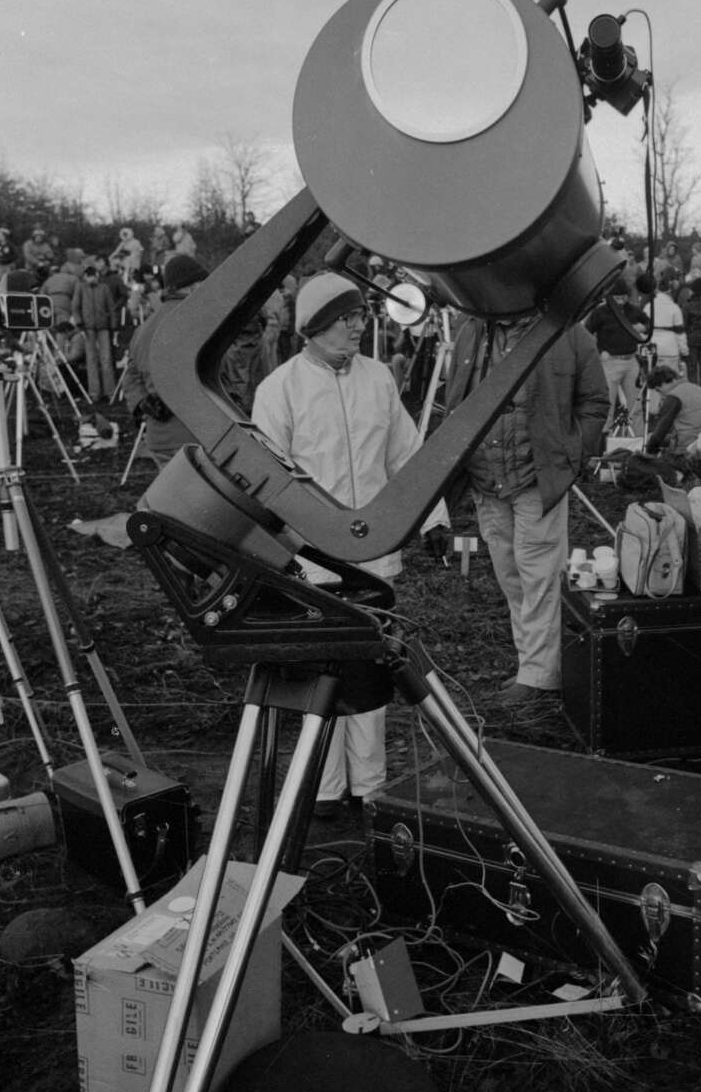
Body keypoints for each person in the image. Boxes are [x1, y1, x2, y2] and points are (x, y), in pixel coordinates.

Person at [251, 271, 423, 814]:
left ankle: (369, 785)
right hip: (312, 561)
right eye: (347, 318)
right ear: (315, 325)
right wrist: (285, 549)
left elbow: (405, 454)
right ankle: (323, 786)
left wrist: (433, 517)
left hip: (374, 551)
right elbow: (266, 479)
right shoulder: (279, 389)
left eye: (360, 316)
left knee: (370, 667)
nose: (358, 326)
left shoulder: (379, 378)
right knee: (321, 669)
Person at [443, 306, 608, 719]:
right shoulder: (472, 331)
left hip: (538, 477)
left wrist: (573, 455)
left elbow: (594, 400)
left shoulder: (566, 331)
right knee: (511, 574)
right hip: (487, 478)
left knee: (540, 574)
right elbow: (456, 397)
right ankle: (532, 664)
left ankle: (541, 676)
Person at [123, 255, 210, 468]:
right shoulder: (200, 323)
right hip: (199, 436)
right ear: (194, 286)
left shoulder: (144, 328)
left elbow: (131, 375)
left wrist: (143, 402)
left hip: (159, 437)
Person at [585, 273, 646, 438]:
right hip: (610, 362)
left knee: (636, 405)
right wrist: (599, 352)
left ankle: (639, 440)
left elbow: (647, 323)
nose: (621, 300)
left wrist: (640, 328)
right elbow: (586, 334)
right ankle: (606, 441)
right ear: (610, 297)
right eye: (618, 297)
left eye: (624, 297)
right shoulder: (600, 313)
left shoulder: (633, 310)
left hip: (631, 361)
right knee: (607, 405)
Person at [644, 365, 701, 455]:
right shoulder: (700, 390)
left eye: (658, 390)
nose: (661, 395)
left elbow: (660, 433)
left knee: (650, 438)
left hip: (687, 450)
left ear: (664, 383)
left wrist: (648, 453)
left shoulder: (674, 397)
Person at [70, 260, 118, 401]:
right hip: (88, 329)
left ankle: (109, 392)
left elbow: (111, 308)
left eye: (93, 276)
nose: (91, 278)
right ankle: (95, 393)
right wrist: (80, 325)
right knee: (92, 360)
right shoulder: (81, 288)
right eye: (89, 276)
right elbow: (75, 307)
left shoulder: (104, 288)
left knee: (106, 359)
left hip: (103, 328)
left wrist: (114, 327)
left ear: (96, 276)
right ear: (85, 277)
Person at [635, 271, 685, 375]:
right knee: (670, 378)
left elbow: (643, 330)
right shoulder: (674, 308)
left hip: (652, 349)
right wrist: (684, 350)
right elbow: (680, 332)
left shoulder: (648, 307)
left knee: (653, 379)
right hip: (670, 349)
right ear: (670, 291)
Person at [677, 276, 701, 392]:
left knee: (692, 369)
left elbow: (683, 326)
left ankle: (693, 392)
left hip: (691, 341)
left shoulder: (686, 305)